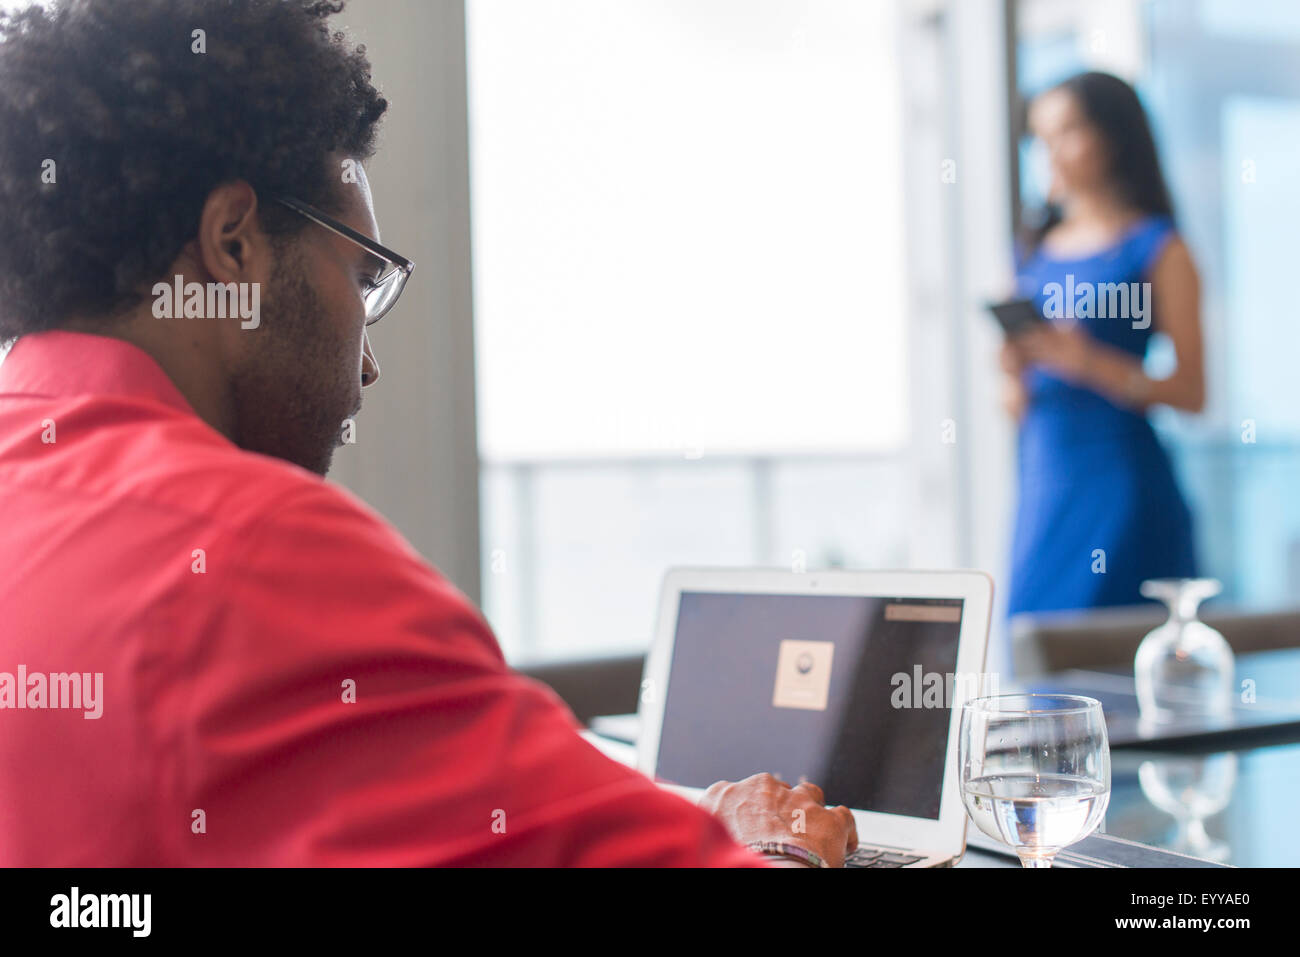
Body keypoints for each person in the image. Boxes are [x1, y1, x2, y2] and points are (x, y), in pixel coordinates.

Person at [0, 0, 855, 867]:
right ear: (233, 244)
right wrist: (774, 847)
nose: (366, 363)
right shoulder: (258, 555)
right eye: (363, 279)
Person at [1001, 71, 1205, 617]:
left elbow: (1192, 392)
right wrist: (1013, 369)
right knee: (1032, 639)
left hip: (1121, 481)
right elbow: (1013, 404)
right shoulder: (1033, 249)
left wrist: (1088, 362)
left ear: (1112, 136)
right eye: (1042, 139)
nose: (1052, 154)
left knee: (1113, 660)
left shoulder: (1159, 248)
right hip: (1045, 475)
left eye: (1067, 133)